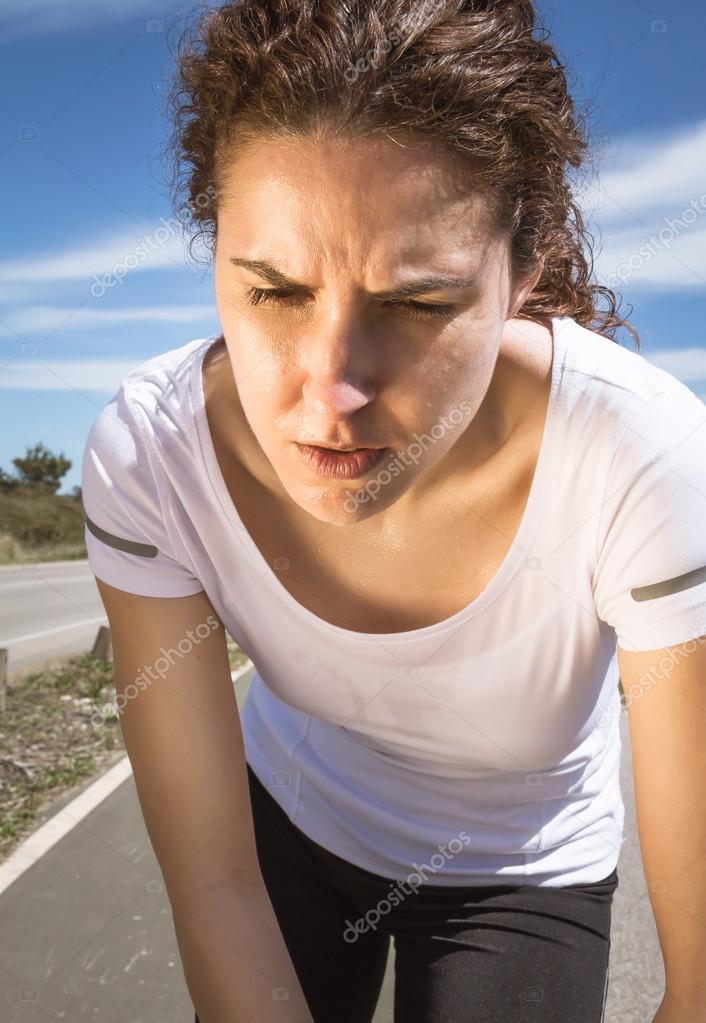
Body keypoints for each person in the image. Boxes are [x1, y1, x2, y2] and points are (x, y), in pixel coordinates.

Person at [81, 2, 706, 1021]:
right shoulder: (152, 454)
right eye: (275, 293)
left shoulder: (648, 461)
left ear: (520, 281)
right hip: (292, 823)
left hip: (526, 868)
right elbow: (213, 885)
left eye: (417, 305)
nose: (329, 394)